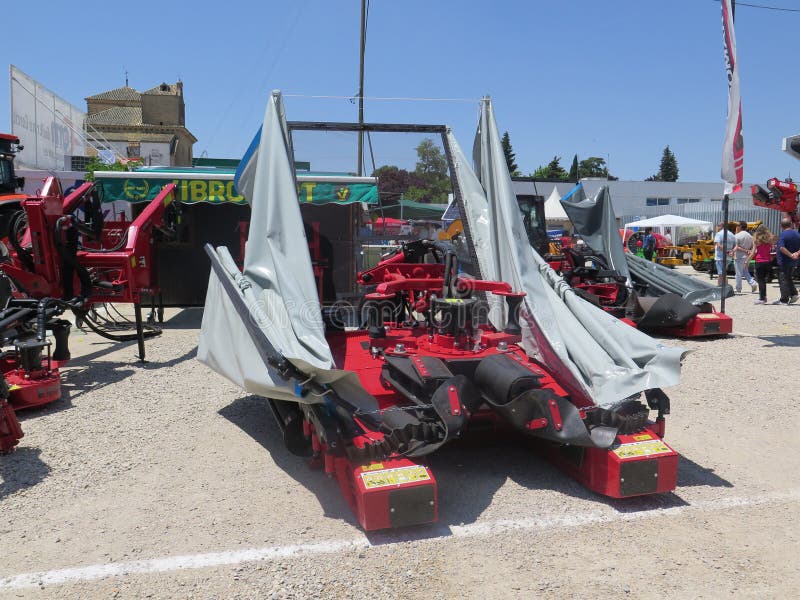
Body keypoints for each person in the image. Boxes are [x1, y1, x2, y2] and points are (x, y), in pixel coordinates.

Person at [772, 218, 800, 305]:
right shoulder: (797, 234)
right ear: (791, 224)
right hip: (794, 261)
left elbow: (781, 248)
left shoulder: (783, 235)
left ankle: (784, 299)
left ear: (781, 226)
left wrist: (791, 255)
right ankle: (794, 294)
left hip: (785, 261)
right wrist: (797, 254)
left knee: (783, 279)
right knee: (788, 278)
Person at [730, 221, 757, 294]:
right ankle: (753, 283)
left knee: (738, 273)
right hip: (747, 257)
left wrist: (733, 251)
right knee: (745, 271)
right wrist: (748, 251)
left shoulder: (737, 236)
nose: (736, 227)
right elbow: (753, 247)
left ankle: (738, 288)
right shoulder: (750, 236)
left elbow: (736, 246)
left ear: (740, 226)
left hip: (739, 256)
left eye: (737, 225)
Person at [750, 225, 773, 305]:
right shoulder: (770, 240)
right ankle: (763, 297)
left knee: (761, 280)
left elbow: (753, 253)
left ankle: (762, 298)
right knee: (763, 280)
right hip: (768, 261)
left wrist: (747, 261)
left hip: (759, 261)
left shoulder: (756, 240)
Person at [713, 221, 734, 286]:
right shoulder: (731, 234)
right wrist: (731, 251)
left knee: (721, 273)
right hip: (728, 257)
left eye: (718, 226)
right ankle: (719, 286)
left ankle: (725, 287)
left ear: (721, 226)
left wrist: (726, 251)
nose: (717, 228)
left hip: (720, 257)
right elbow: (735, 245)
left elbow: (719, 245)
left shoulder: (719, 234)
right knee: (722, 273)